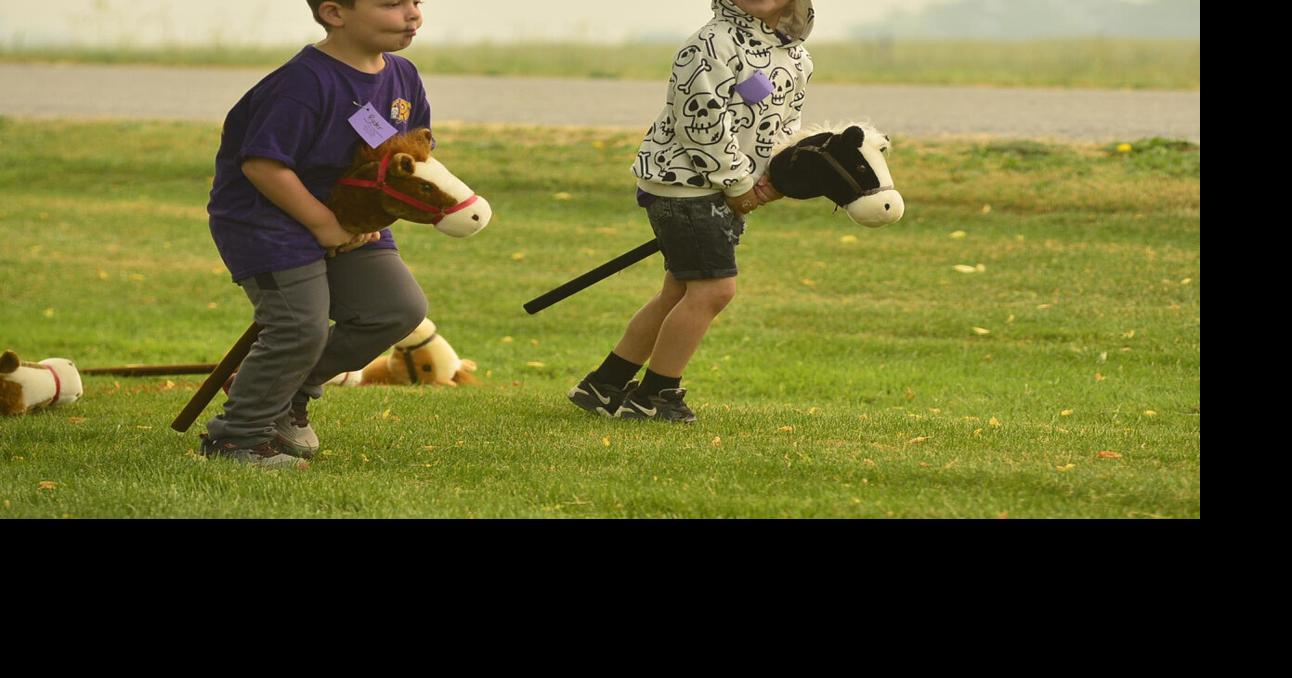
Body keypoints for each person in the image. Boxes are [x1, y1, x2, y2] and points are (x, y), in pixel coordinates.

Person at [201, 0, 431, 467]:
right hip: (267, 222)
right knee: (298, 327)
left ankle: (287, 393)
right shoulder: (302, 84)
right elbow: (262, 165)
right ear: (334, 13)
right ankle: (236, 439)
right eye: (392, 3)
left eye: (416, 2)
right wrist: (326, 225)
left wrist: (370, 216)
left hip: (351, 222)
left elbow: (405, 157)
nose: (412, 14)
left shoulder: (403, 76)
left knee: (396, 310)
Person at [569, 0, 814, 423]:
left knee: (680, 291)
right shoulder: (709, 44)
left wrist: (776, 176)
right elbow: (701, 125)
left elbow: (785, 124)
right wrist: (739, 184)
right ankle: (656, 396)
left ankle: (604, 385)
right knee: (714, 290)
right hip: (683, 184)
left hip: (726, 187)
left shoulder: (796, 57)